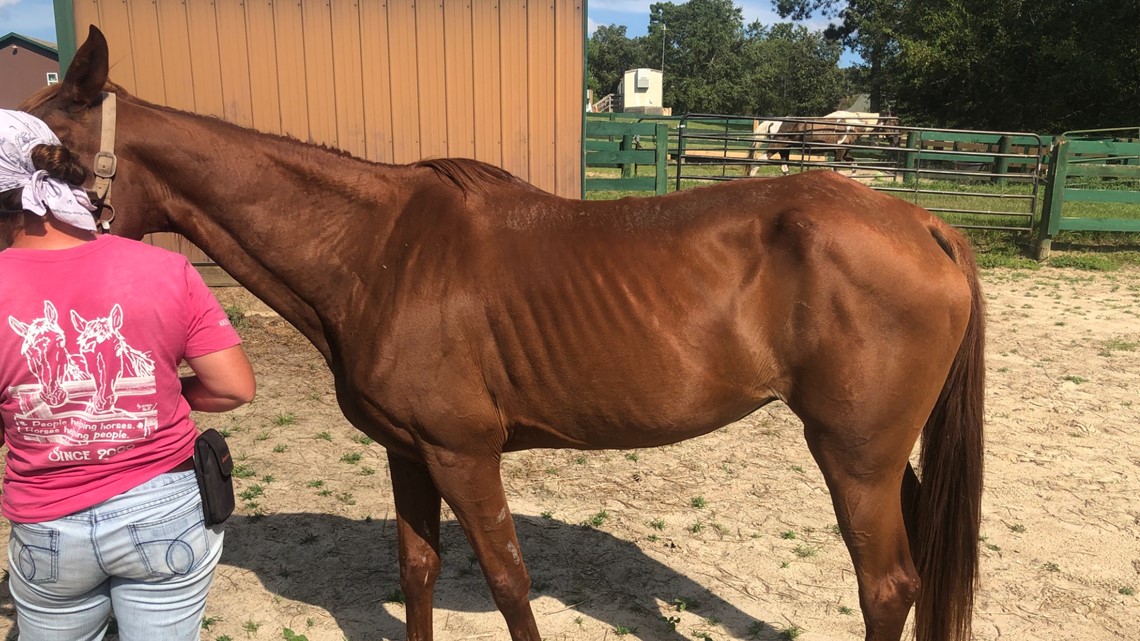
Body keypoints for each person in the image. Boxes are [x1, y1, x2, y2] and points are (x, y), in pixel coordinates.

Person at [0, 108, 256, 640]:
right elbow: (234, 387)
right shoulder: (162, 269)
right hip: (163, 507)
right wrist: (165, 389)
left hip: (47, 522)